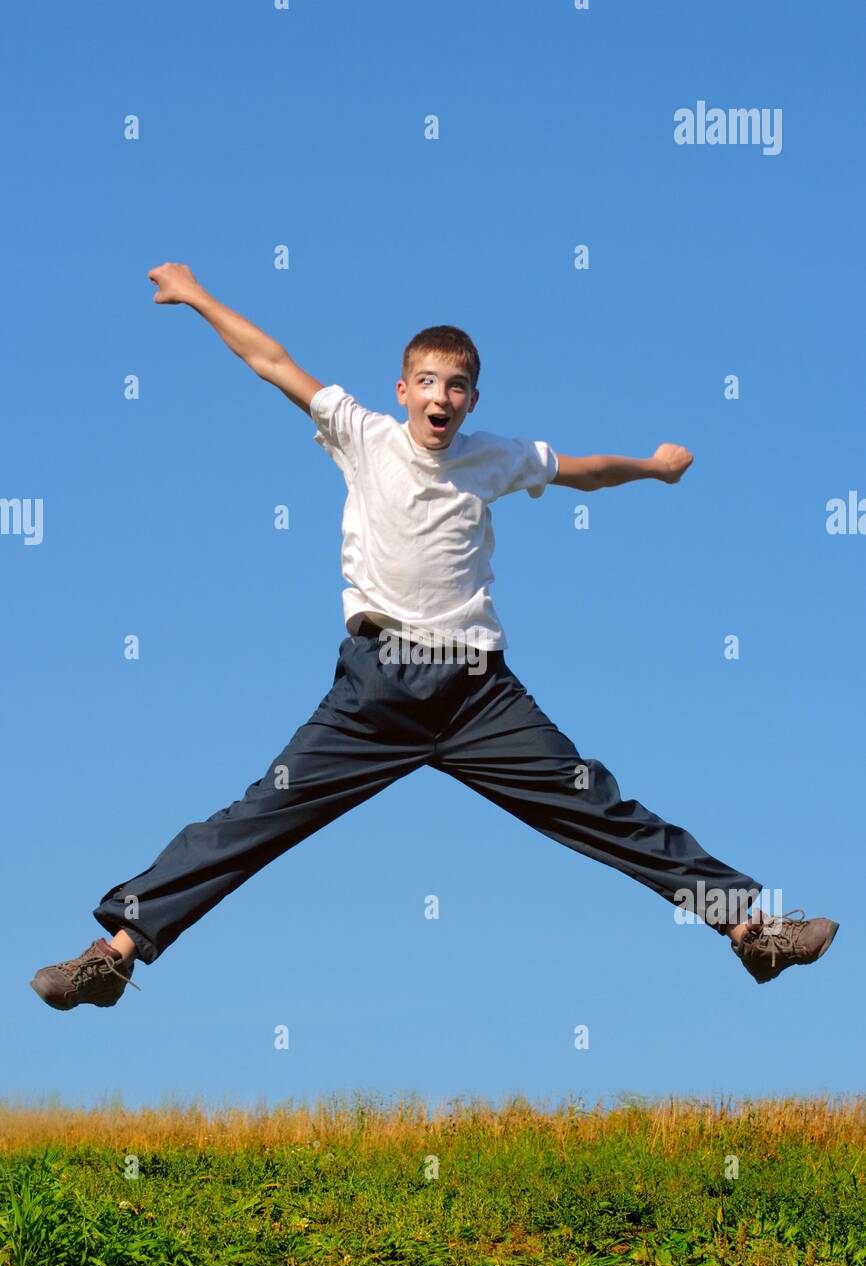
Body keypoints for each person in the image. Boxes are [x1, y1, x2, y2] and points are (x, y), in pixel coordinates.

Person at [30, 264, 839, 1011]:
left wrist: (653, 468)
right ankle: (117, 952)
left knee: (602, 806)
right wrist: (199, 295)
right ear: (403, 389)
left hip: (479, 694)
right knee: (254, 819)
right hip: (377, 689)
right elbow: (272, 361)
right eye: (426, 383)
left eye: (456, 386)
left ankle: (749, 931)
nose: (440, 398)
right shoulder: (361, 434)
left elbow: (584, 470)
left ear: (473, 399)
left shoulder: (496, 456)